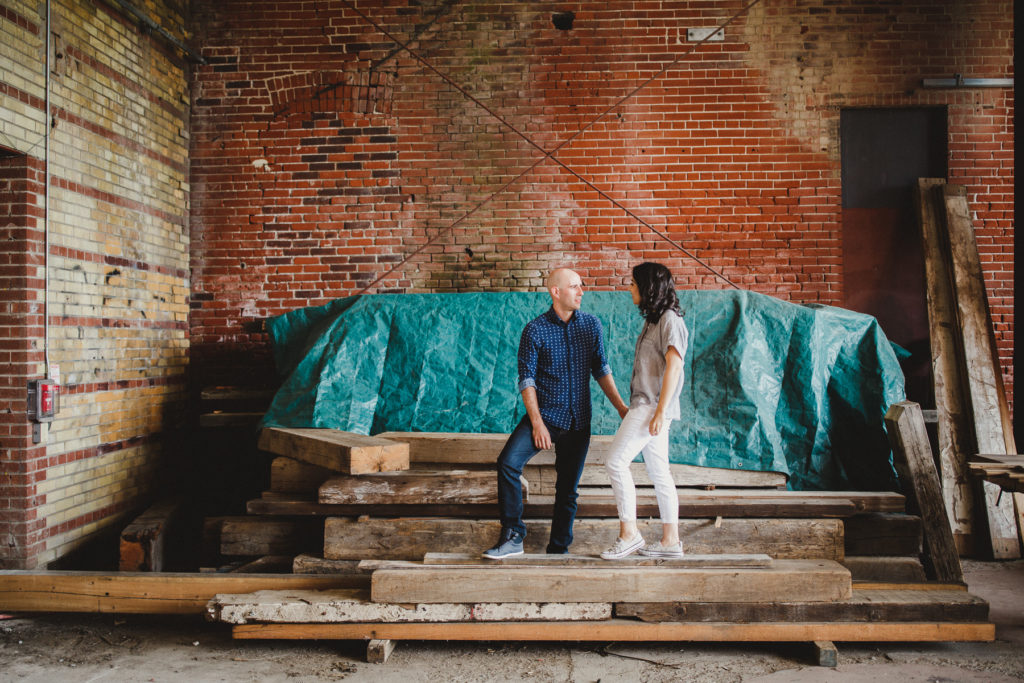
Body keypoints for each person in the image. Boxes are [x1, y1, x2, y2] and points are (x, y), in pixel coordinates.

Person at [483, 268, 629, 559]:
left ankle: (558, 552)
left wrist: (622, 409)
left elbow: (601, 368)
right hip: (546, 416)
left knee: (567, 492)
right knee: (508, 463)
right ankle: (513, 535)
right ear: (556, 292)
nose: (581, 291)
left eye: (581, 286)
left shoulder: (591, 326)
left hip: (578, 422)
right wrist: (537, 424)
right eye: (574, 286)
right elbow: (527, 380)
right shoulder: (535, 330)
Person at [600, 262, 688, 559]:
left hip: (651, 406)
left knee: (615, 462)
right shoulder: (653, 320)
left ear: (649, 287)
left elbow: (675, 367)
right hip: (649, 405)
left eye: (634, 284)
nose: (630, 288)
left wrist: (661, 411)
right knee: (659, 471)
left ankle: (629, 534)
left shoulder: (669, 320)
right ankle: (670, 541)